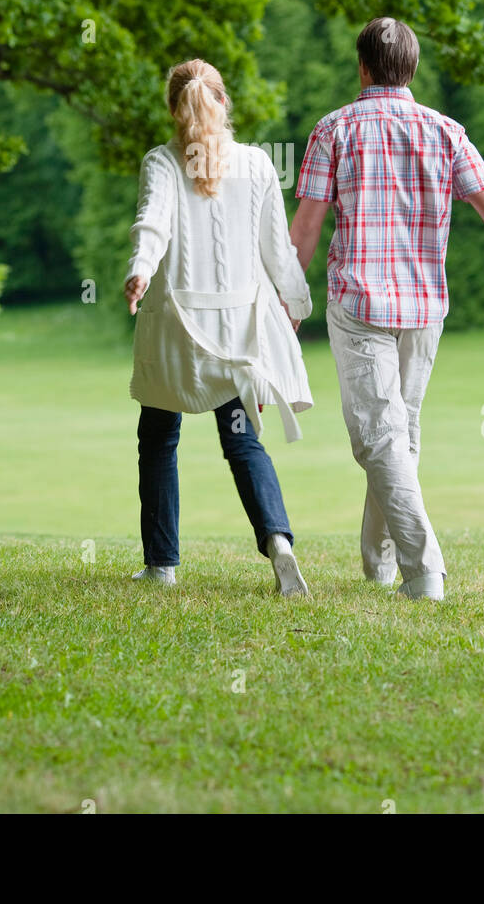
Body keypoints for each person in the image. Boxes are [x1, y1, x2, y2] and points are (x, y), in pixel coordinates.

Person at [290, 17, 484, 602]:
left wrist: (289, 305)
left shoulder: (333, 130)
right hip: (423, 304)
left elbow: (306, 229)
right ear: (410, 68)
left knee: (382, 437)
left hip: (358, 301)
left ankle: (423, 571)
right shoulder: (445, 131)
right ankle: (378, 562)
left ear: (362, 67)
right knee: (397, 432)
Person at [124, 58, 313, 596]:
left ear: (172, 109)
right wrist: (295, 299)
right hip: (235, 333)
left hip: (176, 332)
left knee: (158, 438)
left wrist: (139, 270)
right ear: (223, 102)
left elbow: (152, 223)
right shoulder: (256, 165)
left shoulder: (161, 162)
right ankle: (278, 541)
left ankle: (162, 565)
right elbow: (278, 250)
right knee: (243, 440)